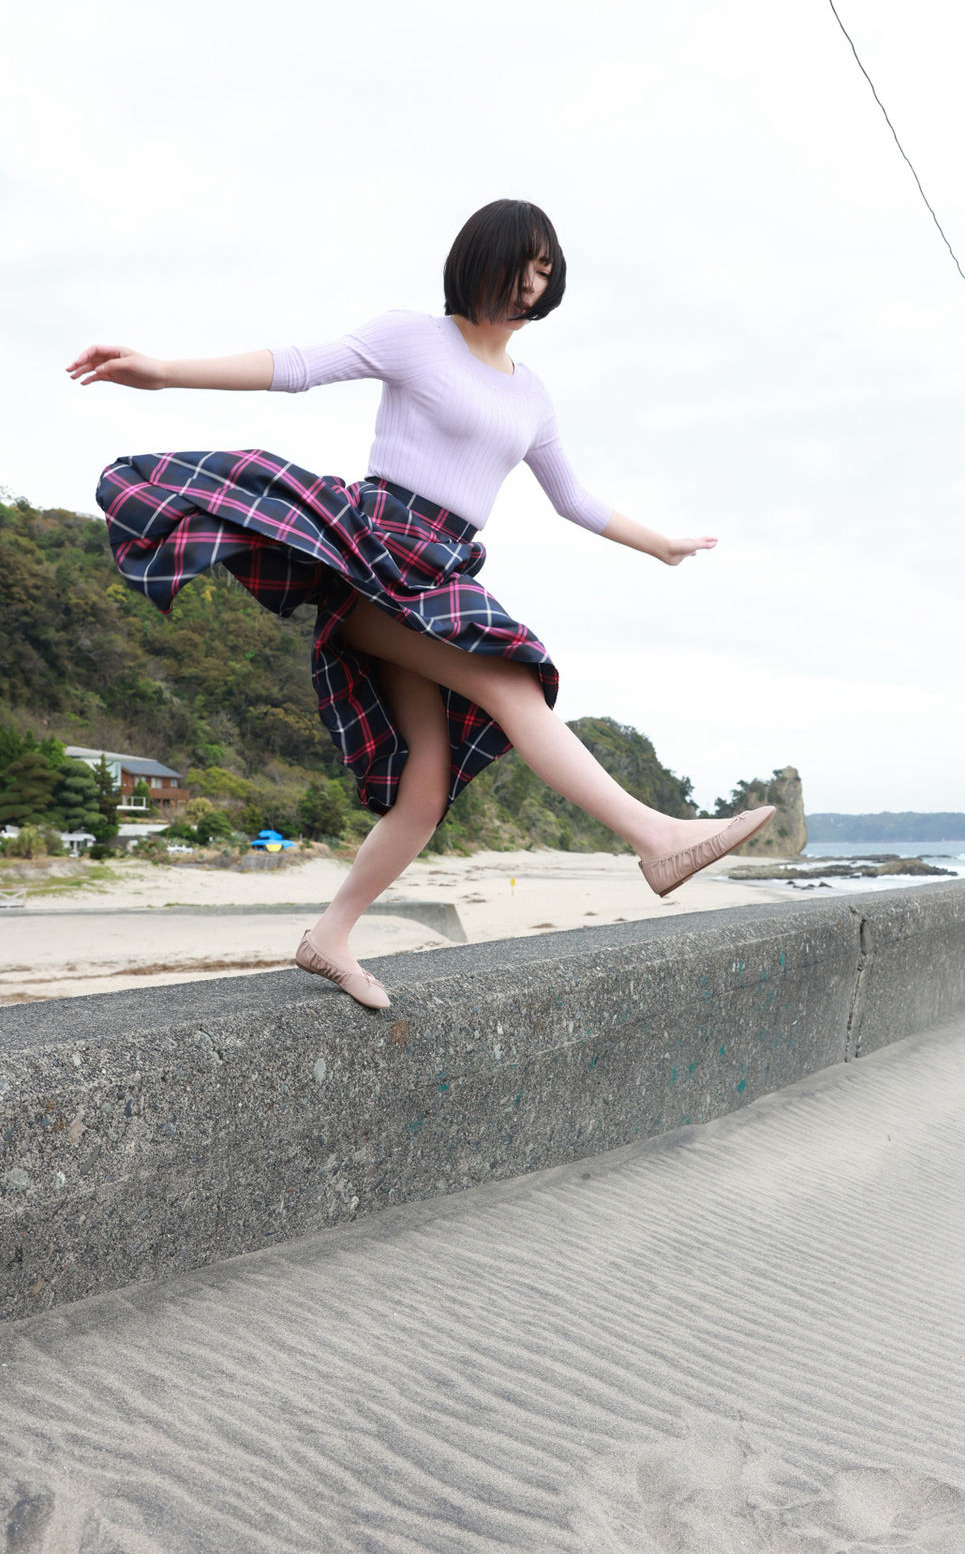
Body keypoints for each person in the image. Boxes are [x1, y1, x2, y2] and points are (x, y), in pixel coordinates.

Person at [70, 199, 773, 1009]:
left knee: (427, 786)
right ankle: (657, 839)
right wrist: (159, 370)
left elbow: (572, 498)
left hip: (441, 571)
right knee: (511, 685)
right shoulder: (415, 338)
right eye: (522, 265)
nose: (531, 284)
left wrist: (660, 543)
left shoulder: (531, 394)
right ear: (482, 258)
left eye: (546, 272)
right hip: (375, 556)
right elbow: (296, 364)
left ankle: (328, 935)